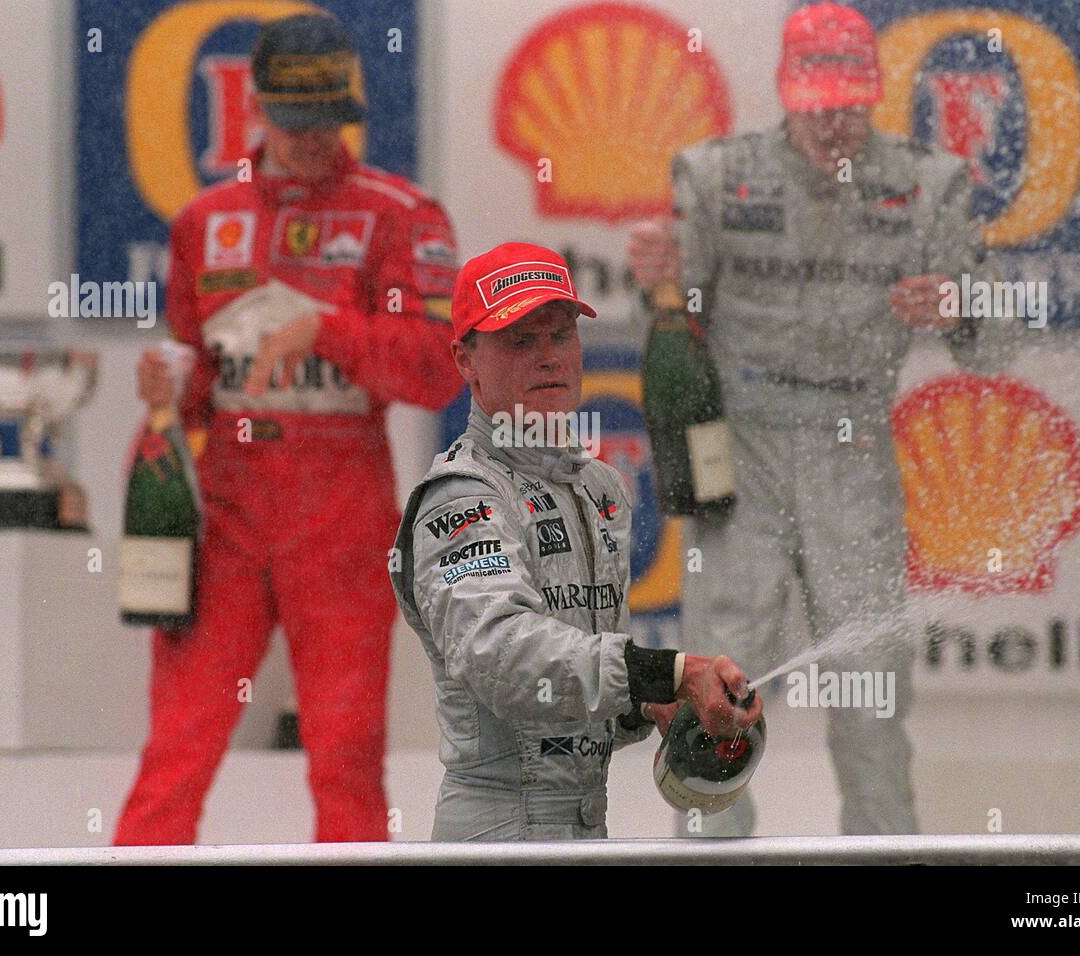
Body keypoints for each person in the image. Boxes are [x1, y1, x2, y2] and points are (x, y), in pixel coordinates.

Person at [627, 2, 1015, 836]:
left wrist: (958, 309)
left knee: (870, 687)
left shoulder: (929, 181)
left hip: (855, 442)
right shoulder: (715, 171)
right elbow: (673, 318)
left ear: (873, 95)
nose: (835, 123)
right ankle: (707, 854)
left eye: (850, 103)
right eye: (818, 104)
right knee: (717, 684)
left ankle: (886, 856)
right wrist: (657, 275)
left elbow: (997, 344)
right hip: (742, 446)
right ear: (787, 94)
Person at [115, 11, 465, 844]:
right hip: (230, 521)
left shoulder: (400, 214)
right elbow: (197, 378)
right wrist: (172, 383)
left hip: (342, 521)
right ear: (254, 111)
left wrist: (328, 329)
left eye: (331, 121)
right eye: (295, 121)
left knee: (345, 760)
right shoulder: (205, 221)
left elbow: (438, 366)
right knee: (176, 752)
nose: (315, 141)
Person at [390, 242, 764, 841]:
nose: (548, 359)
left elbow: (574, 696)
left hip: (586, 828)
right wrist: (663, 673)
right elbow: (503, 657)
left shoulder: (597, 488)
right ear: (466, 360)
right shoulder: (461, 495)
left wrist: (654, 707)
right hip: (496, 829)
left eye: (560, 336)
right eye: (519, 341)